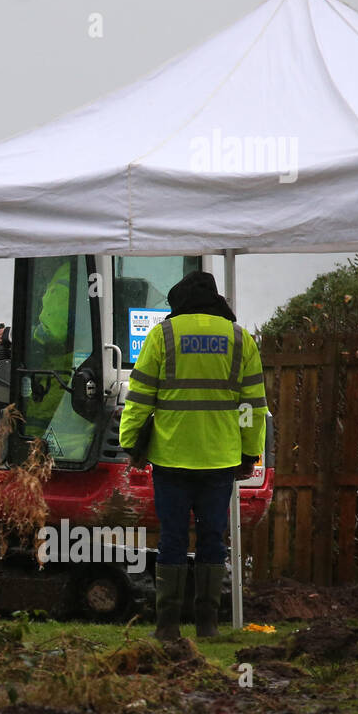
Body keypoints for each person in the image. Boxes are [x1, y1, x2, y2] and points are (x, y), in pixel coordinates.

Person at [119, 271, 267, 640]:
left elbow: (140, 397)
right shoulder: (240, 339)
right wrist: (250, 453)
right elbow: (253, 404)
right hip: (220, 459)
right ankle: (208, 625)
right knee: (212, 538)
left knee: (171, 538)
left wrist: (130, 443)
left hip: (171, 457)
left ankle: (168, 626)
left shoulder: (163, 335)